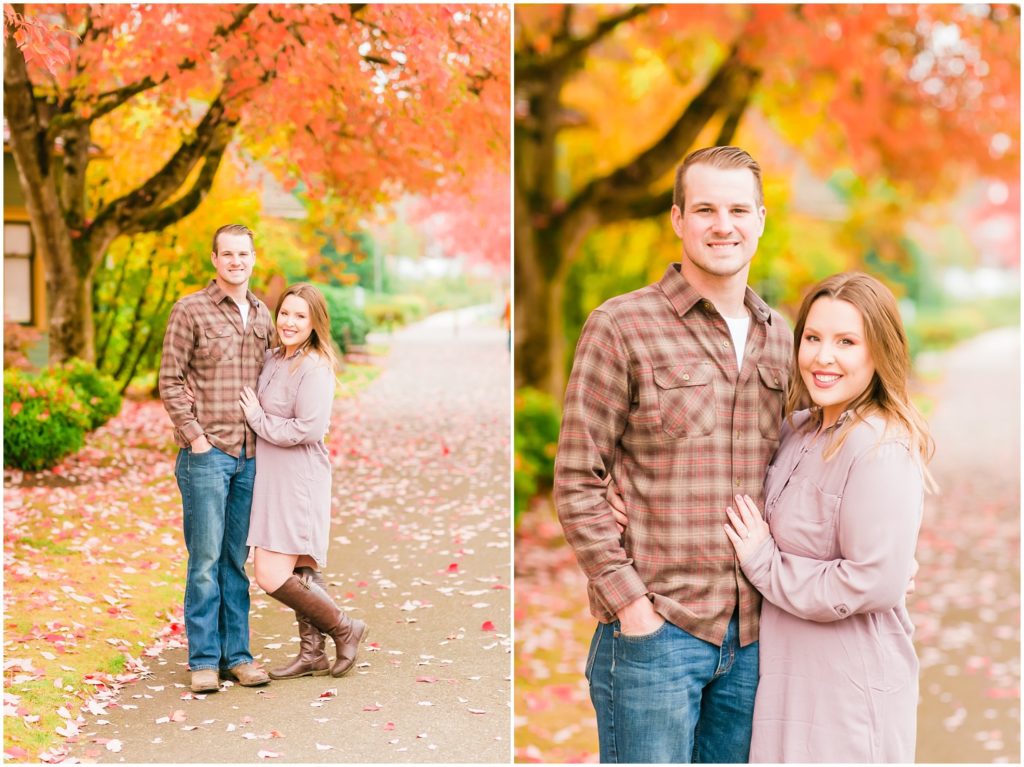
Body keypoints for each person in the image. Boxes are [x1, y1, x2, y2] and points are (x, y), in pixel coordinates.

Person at [553, 146, 792, 763]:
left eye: (739, 209)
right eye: (706, 208)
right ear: (678, 219)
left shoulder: (785, 337)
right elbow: (578, 477)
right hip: (657, 631)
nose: (723, 224)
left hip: (758, 638)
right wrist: (630, 605)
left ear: (761, 219)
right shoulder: (622, 325)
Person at [722, 272, 934, 762]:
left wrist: (763, 562)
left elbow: (874, 581)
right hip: (788, 683)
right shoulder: (799, 429)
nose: (823, 357)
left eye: (846, 342)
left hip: (848, 692)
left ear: (878, 352)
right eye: (813, 338)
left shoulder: (880, 447)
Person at [159, 224, 274, 693]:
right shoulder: (190, 310)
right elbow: (168, 380)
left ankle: (238, 657)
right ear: (214, 259)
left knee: (234, 561)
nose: (236, 262)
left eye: (243, 254)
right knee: (204, 561)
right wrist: (195, 438)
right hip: (208, 457)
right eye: (227, 254)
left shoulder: (264, 314)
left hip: (250, 458)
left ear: (253, 258)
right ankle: (204, 660)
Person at [240, 282, 369, 679]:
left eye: (300, 316)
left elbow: (308, 428)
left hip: (299, 477)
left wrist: (258, 419)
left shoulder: (314, 367)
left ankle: (344, 627)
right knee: (301, 567)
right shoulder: (273, 358)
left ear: (315, 323)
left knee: (269, 574)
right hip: (272, 476)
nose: (290, 322)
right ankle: (312, 654)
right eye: (285, 313)